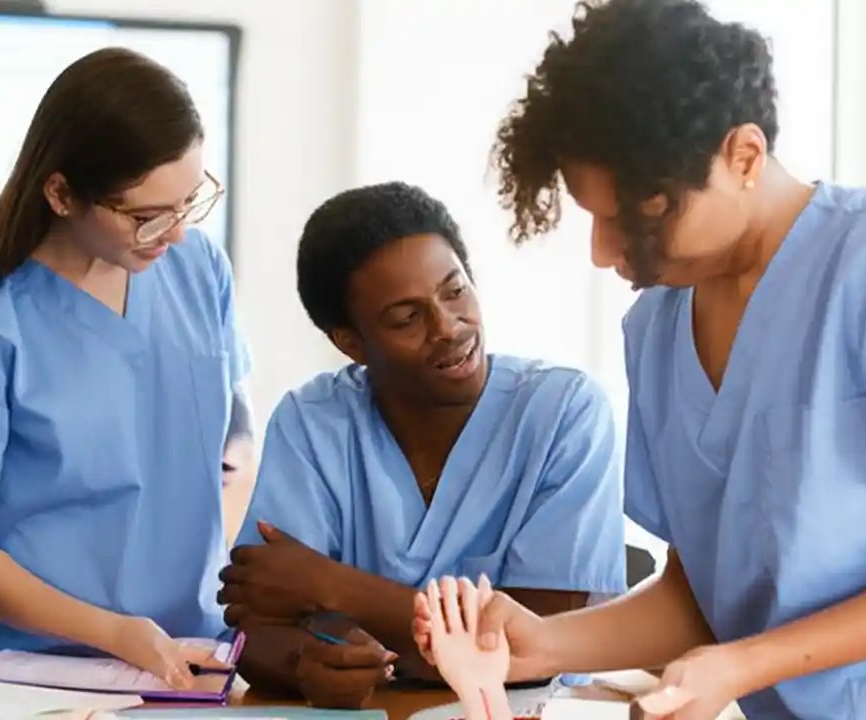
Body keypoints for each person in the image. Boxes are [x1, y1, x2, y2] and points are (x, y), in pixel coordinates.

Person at [414, 1, 866, 718]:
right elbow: (703, 597)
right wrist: (546, 643)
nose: (603, 251)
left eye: (638, 215)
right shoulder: (656, 329)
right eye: (593, 216)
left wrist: (748, 663)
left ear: (743, 156)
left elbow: (740, 642)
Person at [0, 47, 251, 689]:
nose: (174, 235)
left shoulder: (200, 269)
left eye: (190, 201)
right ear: (61, 193)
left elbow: (233, 449)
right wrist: (117, 631)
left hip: (195, 660)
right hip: (41, 676)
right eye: (147, 217)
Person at [220, 183, 626, 708]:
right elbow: (255, 622)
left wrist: (332, 586)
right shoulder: (314, 422)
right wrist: (305, 666)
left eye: (455, 291)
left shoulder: (563, 413)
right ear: (352, 343)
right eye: (406, 318)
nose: (449, 328)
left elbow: (533, 645)